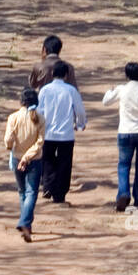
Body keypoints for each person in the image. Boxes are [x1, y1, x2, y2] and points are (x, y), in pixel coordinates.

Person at [102, 61, 138, 211]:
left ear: (127, 75)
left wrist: (109, 90)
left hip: (125, 132)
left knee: (124, 164)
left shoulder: (122, 89)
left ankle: (123, 193)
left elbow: (105, 102)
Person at [37, 61, 87, 204]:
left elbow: (39, 111)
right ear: (66, 75)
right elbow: (80, 110)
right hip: (66, 134)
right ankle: (59, 194)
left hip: (48, 133)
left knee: (48, 161)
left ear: (52, 74)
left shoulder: (45, 90)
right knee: (65, 164)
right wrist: (80, 124)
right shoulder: (71, 90)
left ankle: (47, 186)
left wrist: (38, 128)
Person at [4, 88, 45, 242]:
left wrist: (11, 148)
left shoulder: (13, 117)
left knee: (22, 191)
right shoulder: (40, 118)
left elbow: (8, 139)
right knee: (32, 191)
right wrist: (27, 158)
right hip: (34, 159)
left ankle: (25, 223)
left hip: (17, 158)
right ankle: (25, 223)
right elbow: (39, 142)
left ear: (21, 101)